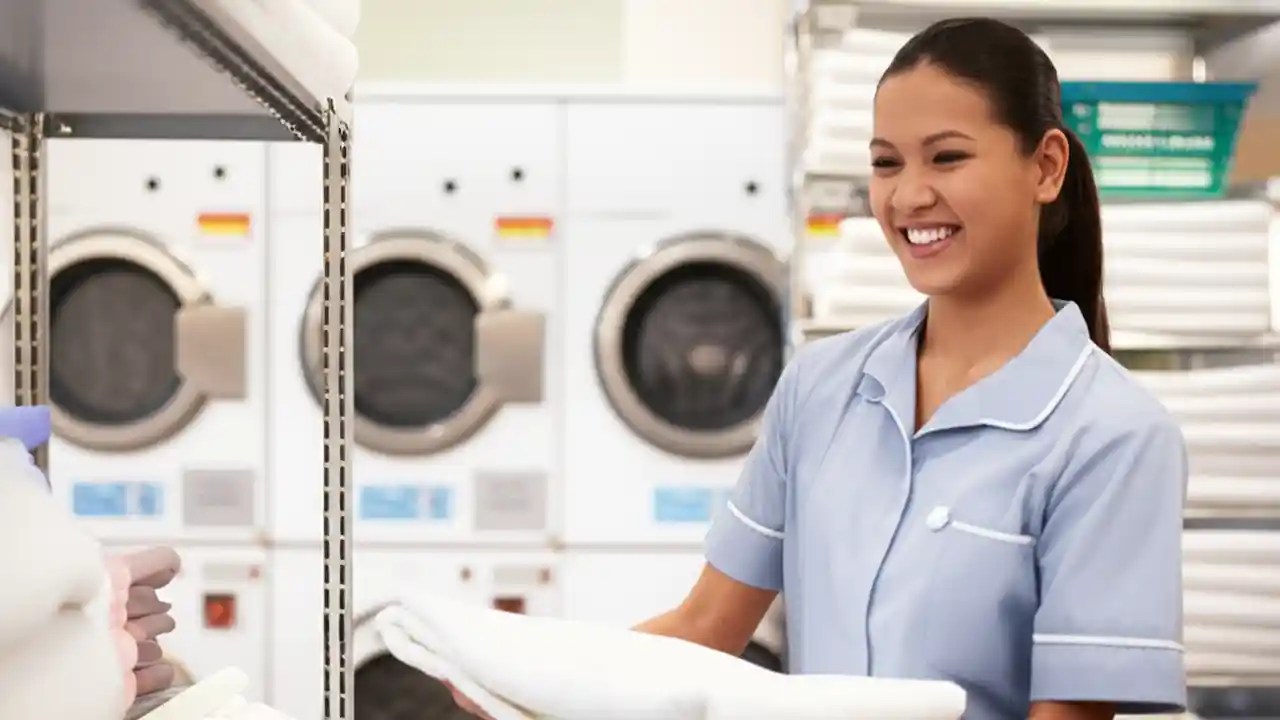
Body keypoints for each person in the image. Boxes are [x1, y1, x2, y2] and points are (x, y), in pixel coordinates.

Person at [450, 16, 1188, 720]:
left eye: (948, 156)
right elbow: (706, 623)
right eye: (885, 163)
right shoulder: (822, 387)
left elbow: (1066, 713)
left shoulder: (1112, 435)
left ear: (1046, 167)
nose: (908, 195)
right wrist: (540, 690)